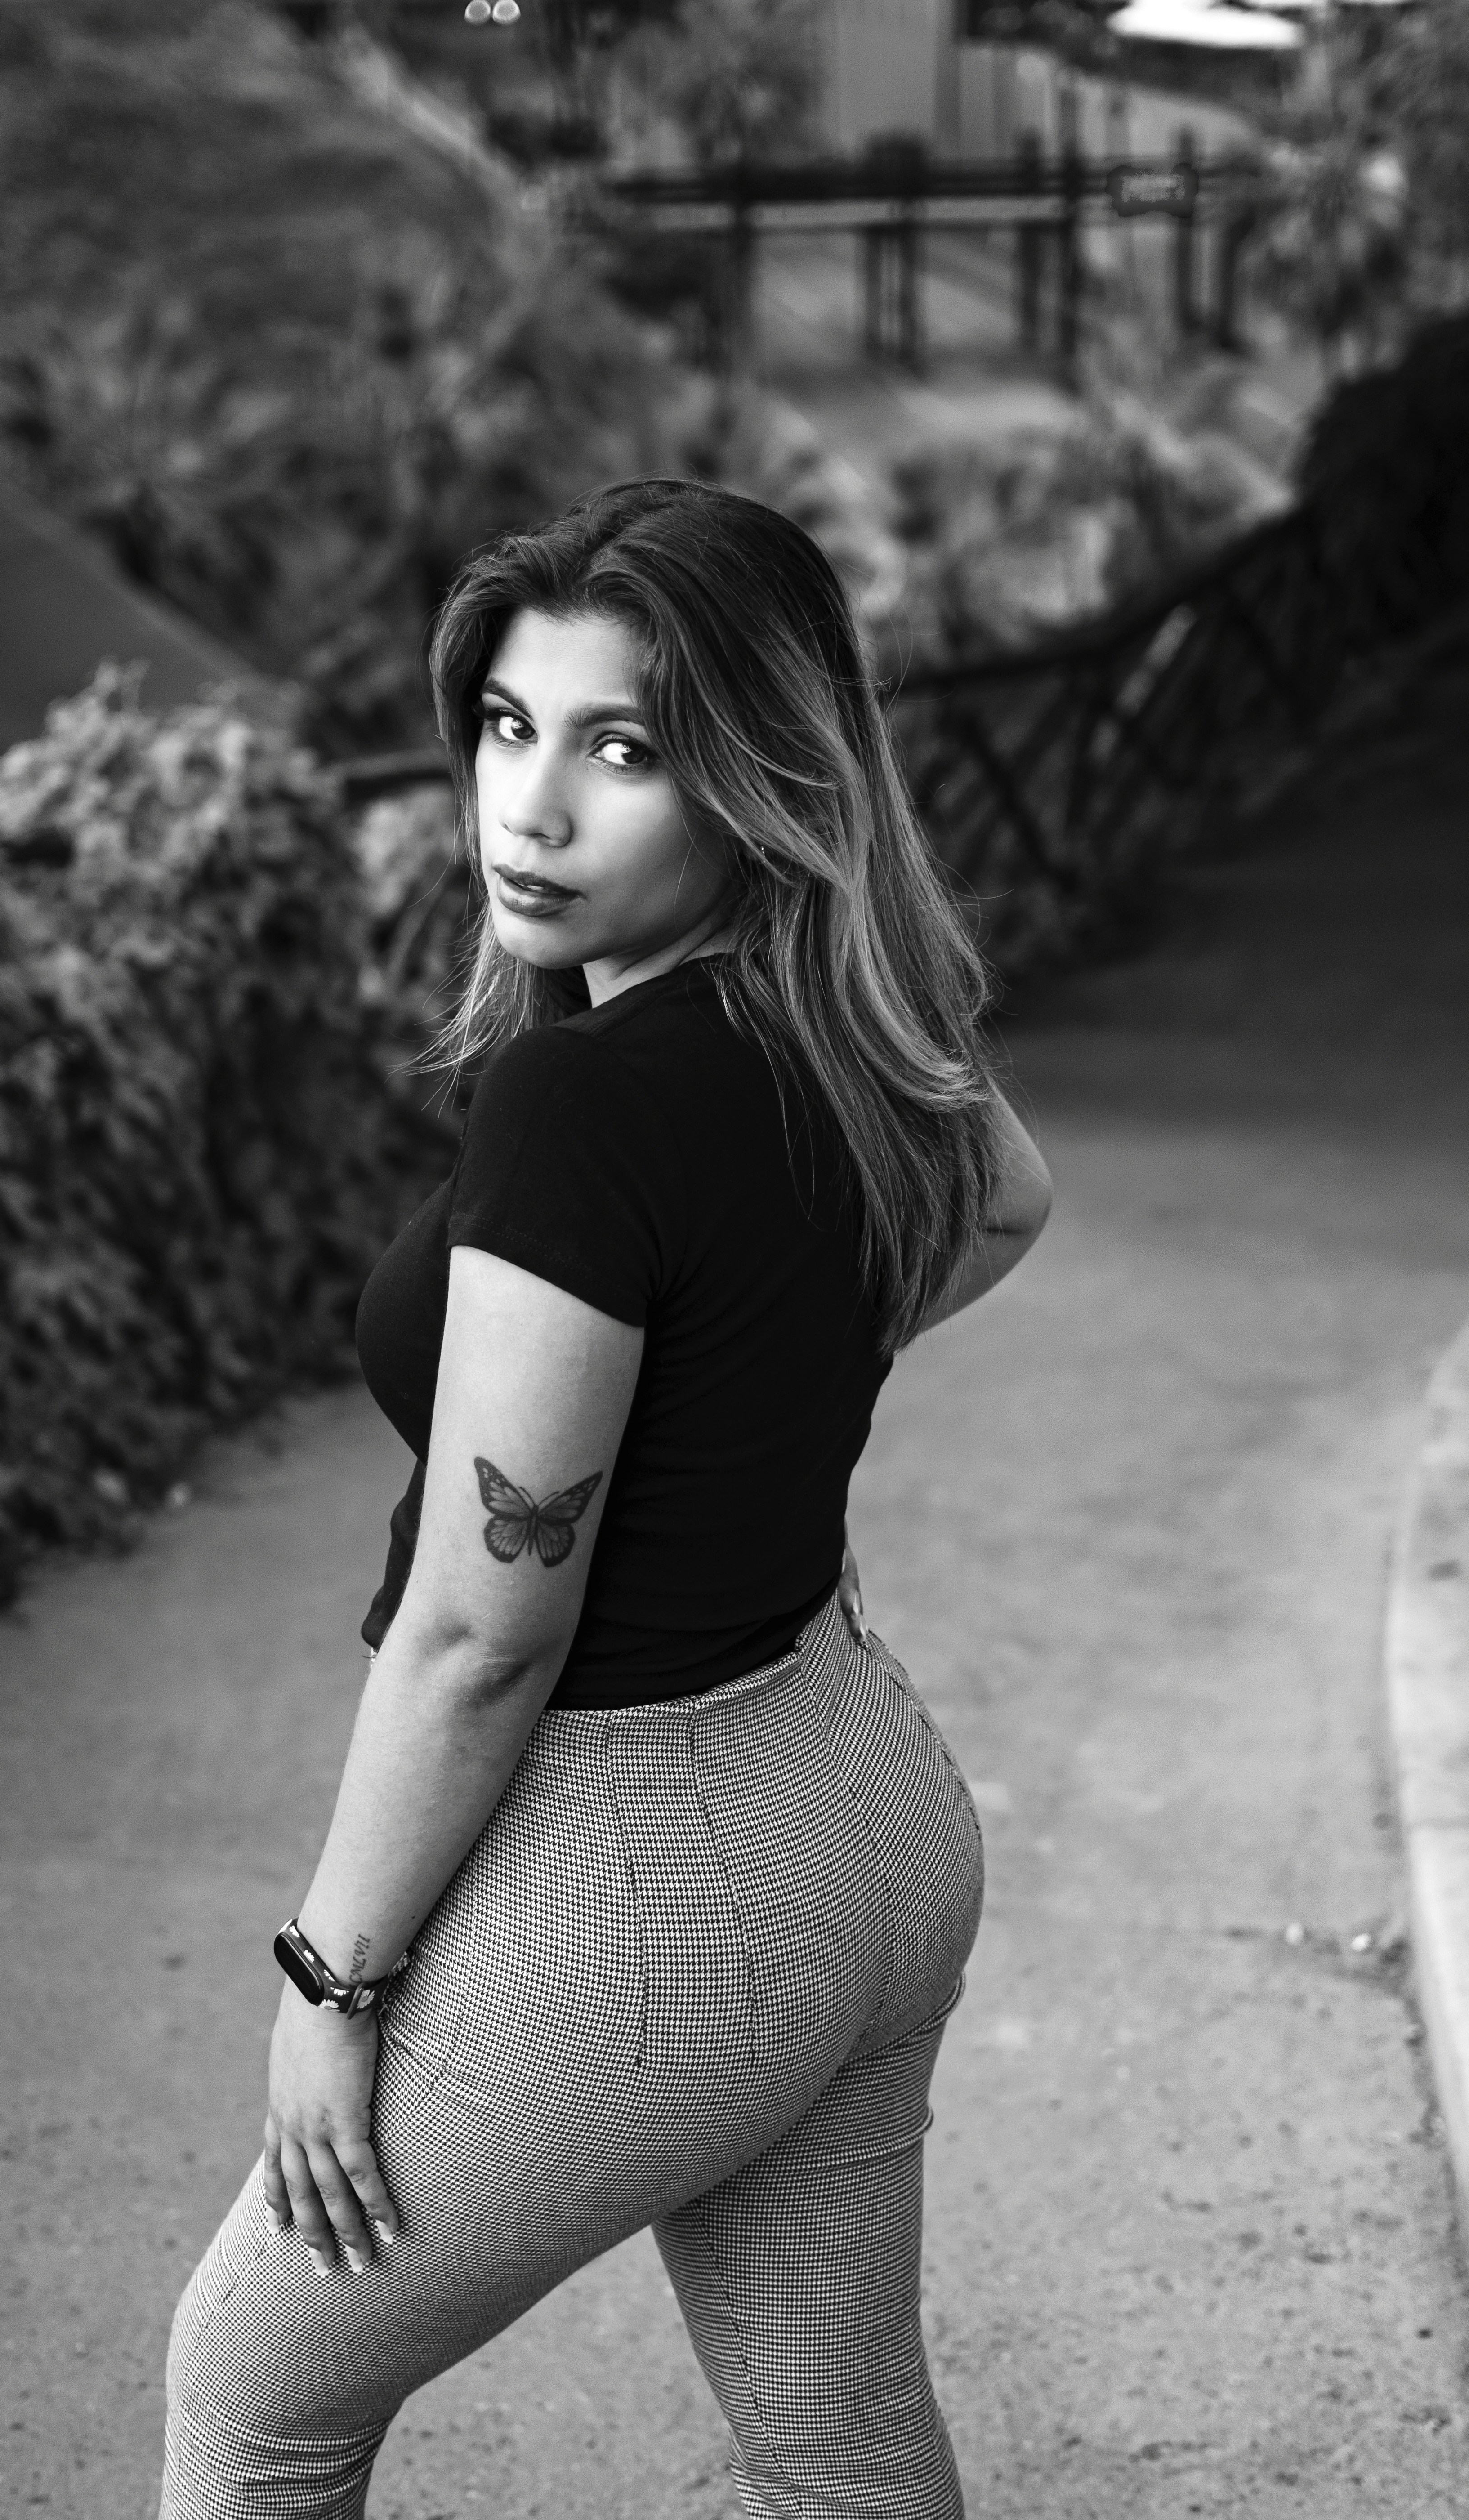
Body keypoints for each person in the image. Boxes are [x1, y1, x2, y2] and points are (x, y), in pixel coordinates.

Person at [159, 478, 1052, 2520]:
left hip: (658, 1882)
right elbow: (1001, 1195)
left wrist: (331, 1978)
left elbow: (486, 1631)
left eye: (622, 747)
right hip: (865, 1804)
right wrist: (761, 1393)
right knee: (835, 2432)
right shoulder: (828, 1016)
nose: (529, 807)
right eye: (505, 725)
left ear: (753, 783)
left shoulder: (580, 1097)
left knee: (248, 2395)